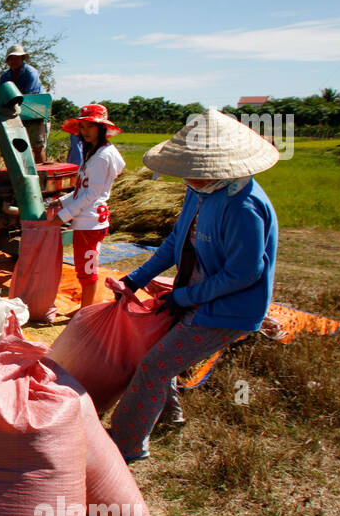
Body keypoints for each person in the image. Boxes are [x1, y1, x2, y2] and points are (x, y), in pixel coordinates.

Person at [106, 109, 280, 462]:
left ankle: (126, 444)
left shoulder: (244, 207)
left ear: (221, 168)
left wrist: (183, 296)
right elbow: (176, 242)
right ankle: (169, 417)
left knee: (155, 365)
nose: (189, 178)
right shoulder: (199, 191)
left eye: (196, 172)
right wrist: (136, 278)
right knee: (159, 356)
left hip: (228, 310)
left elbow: (244, 274)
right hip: (197, 294)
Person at [44, 104, 125, 308]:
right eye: (82, 126)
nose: (85, 131)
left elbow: (91, 195)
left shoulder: (102, 157)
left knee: (88, 270)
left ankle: (85, 313)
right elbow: (83, 189)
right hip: (87, 219)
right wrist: (60, 202)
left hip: (90, 223)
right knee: (84, 268)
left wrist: (64, 216)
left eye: (90, 126)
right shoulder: (92, 153)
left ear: (101, 128)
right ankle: (85, 309)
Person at [0, 45, 48, 163]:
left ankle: (42, 177)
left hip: (34, 113)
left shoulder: (31, 73)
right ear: (8, 61)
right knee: (20, 148)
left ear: (22, 59)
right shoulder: (5, 76)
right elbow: (1, 94)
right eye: (11, 59)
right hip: (16, 115)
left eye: (17, 58)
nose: (14, 61)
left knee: (37, 146)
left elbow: (30, 96)